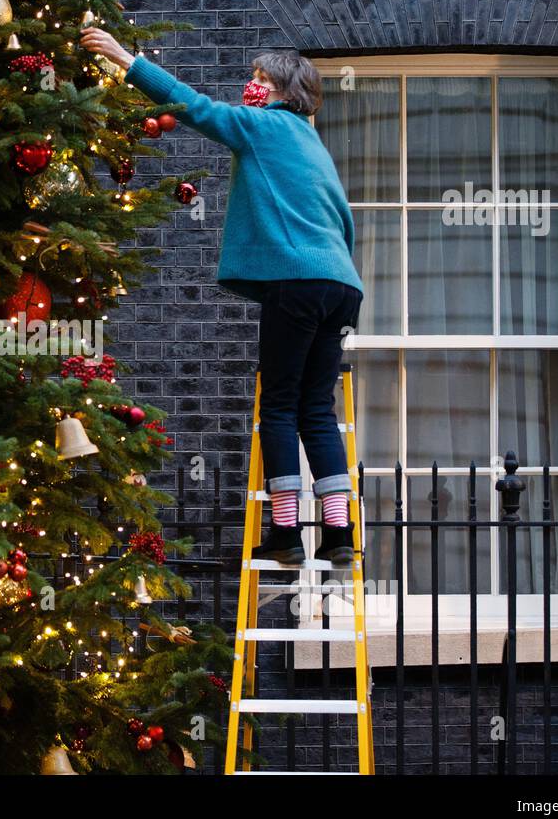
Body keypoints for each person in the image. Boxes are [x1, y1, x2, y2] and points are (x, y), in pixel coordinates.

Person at [80, 28, 363, 566]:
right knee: (317, 412)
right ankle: (338, 532)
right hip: (341, 286)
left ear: (283, 91)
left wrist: (124, 59)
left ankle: (284, 532)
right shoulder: (313, 143)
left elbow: (194, 107)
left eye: (260, 80)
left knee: (279, 406)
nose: (250, 86)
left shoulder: (264, 127)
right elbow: (342, 221)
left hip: (297, 282)